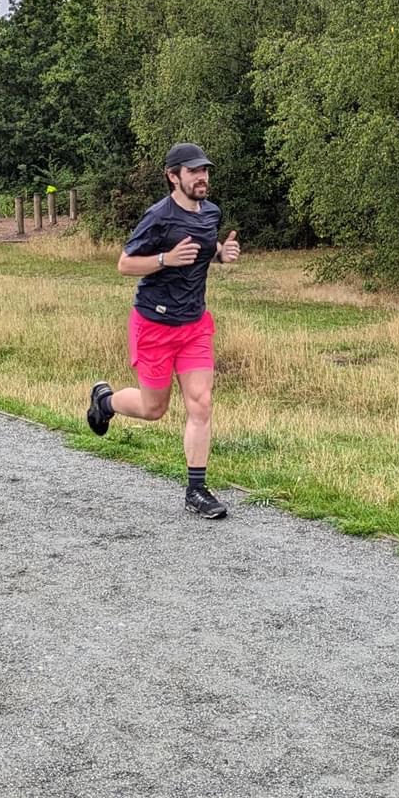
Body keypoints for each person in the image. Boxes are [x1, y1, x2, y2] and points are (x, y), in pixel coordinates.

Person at [86, 142, 241, 520]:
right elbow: (124, 265)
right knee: (154, 409)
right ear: (174, 176)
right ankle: (104, 402)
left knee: (201, 402)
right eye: (193, 171)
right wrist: (164, 260)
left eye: (204, 170)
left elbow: (205, 245)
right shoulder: (158, 217)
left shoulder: (211, 213)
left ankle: (196, 491)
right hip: (154, 325)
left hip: (194, 325)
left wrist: (221, 255)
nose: (202, 177)